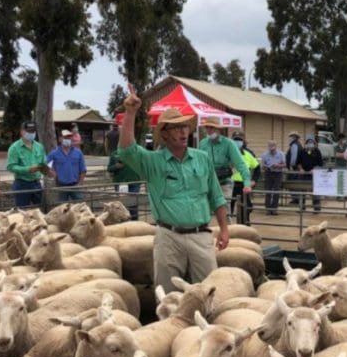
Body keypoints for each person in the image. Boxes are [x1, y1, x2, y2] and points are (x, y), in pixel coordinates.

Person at [116, 84, 228, 293]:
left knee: (208, 292)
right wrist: (130, 112)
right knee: (168, 294)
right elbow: (126, 150)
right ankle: (167, 325)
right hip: (168, 236)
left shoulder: (202, 159)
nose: (183, 131)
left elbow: (216, 196)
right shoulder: (152, 162)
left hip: (201, 235)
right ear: (164, 134)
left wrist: (224, 229)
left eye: (184, 126)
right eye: (176, 128)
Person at [199, 117, 251, 207]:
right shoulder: (203, 143)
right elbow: (199, 164)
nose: (209, 130)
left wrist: (247, 183)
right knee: (205, 211)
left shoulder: (228, 144)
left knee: (224, 209)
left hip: (224, 181)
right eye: (207, 127)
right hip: (208, 182)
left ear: (218, 129)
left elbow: (240, 163)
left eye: (212, 127)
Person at [6, 121, 49, 208]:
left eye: (33, 131)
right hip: (22, 184)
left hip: (37, 183)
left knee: (40, 209)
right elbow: (11, 166)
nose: (31, 133)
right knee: (22, 211)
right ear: (22, 132)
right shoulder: (14, 148)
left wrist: (47, 170)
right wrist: (27, 169)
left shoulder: (39, 146)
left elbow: (44, 162)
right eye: (29, 131)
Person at [47, 129, 86, 202]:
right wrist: (52, 172)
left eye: (69, 137)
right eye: (65, 138)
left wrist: (80, 183)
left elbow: (83, 169)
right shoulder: (54, 153)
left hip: (75, 185)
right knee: (62, 207)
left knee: (79, 206)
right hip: (61, 186)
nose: (68, 139)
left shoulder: (78, 152)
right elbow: (44, 164)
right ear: (60, 139)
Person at [231, 132, 259, 225]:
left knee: (247, 207)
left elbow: (257, 167)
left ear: (243, 142)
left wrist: (254, 180)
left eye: (239, 140)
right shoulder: (227, 154)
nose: (237, 142)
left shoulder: (248, 154)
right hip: (230, 184)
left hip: (244, 185)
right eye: (235, 140)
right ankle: (229, 227)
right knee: (228, 207)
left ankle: (244, 225)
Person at [107, 147, 142, 220]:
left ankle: (134, 222)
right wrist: (116, 166)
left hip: (134, 182)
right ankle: (123, 222)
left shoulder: (137, 152)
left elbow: (143, 166)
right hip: (120, 183)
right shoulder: (114, 154)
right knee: (121, 204)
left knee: (133, 204)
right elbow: (109, 168)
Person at [298, 133, 324, 212]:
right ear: (306, 143)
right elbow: (298, 162)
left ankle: (316, 208)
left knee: (315, 191)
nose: (310, 143)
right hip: (304, 175)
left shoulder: (317, 151)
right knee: (302, 191)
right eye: (308, 142)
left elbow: (321, 164)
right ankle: (302, 207)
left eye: (311, 142)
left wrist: (314, 169)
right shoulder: (302, 151)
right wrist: (301, 169)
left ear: (314, 143)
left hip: (314, 175)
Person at [261, 140, 285, 215]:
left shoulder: (281, 154)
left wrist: (278, 165)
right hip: (268, 173)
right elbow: (262, 166)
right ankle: (268, 209)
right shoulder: (265, 154)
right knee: (268, 190)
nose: (272, 150)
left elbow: (285, 164)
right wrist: (266, 167)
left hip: (278, 174)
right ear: (268, 147)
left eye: (273, 148)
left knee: (276, 191)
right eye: (270, 148)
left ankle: (274, 209)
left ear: (276, 147)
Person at [286, 130, 302, 204]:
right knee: (294, 183)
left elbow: (293, 157)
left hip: (294, 168)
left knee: (292, 183)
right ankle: (295, 198)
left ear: (294, 137)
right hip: (296, 167)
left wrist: (292, 166)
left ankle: (296, 199)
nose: (290, 138)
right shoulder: (297, 144)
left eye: (291, 136)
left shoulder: (294, 145)